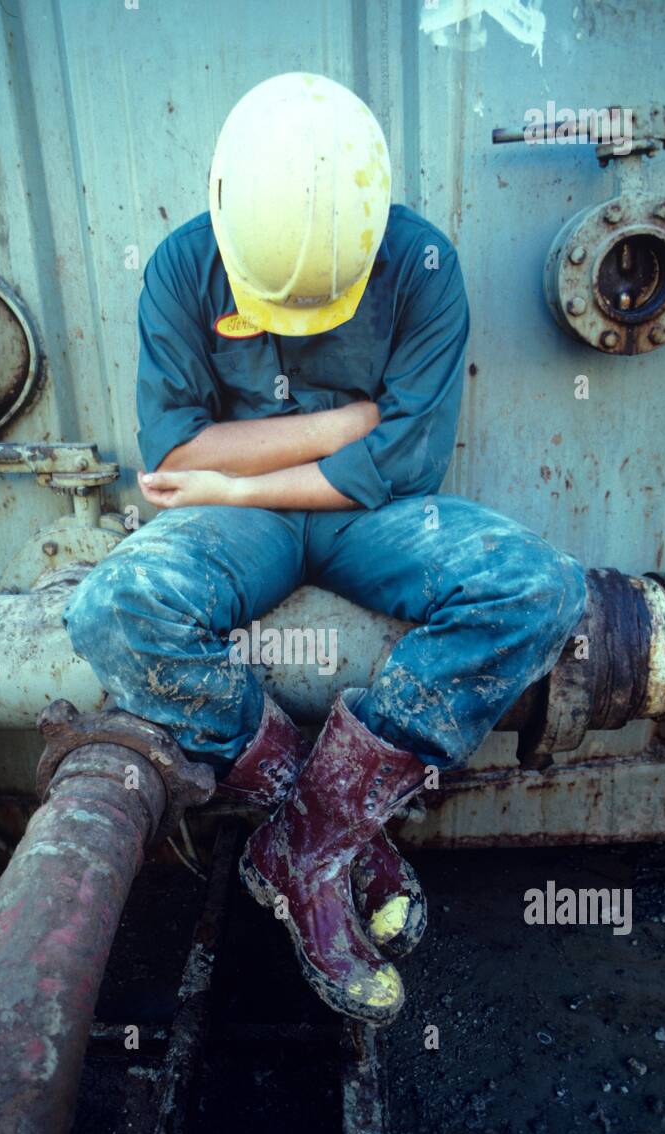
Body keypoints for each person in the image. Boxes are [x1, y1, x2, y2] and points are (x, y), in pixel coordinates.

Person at [63, 72, 587, 1026]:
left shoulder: (422, 264)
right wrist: (350, 418)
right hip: (244, 525)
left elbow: (403, 459)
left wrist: (237, 476)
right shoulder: (183, 266)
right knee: (115, 608)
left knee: (536, 588)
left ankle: (303, 842)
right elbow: (180, 455)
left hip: (364, 517)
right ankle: (338, 833)